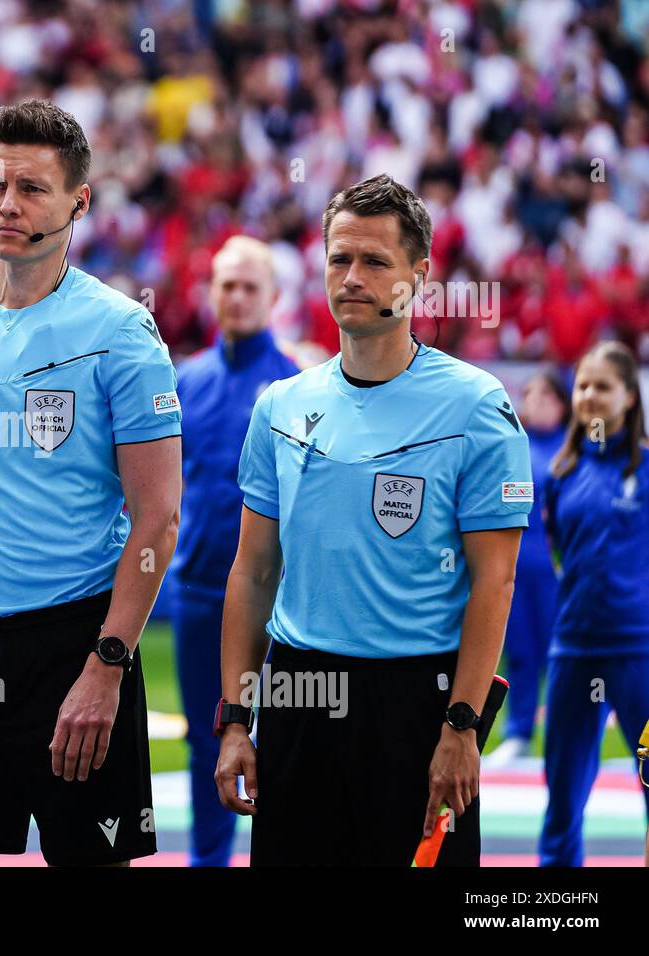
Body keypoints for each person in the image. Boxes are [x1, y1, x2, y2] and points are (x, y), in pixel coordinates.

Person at [0, 100, 182, 867]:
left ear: (79, 201)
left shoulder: (121, 331)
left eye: (32, 188)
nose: (8, 205)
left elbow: (157, 516)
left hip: (77, 639)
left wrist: (107, 666)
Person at [216, 174, 532, 866]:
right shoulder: (280, 405)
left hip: (417, 703)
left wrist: (462, 725)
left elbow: (495, 582)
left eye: (374, 261)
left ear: (417, 277)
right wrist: (236, 721)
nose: (351, 276)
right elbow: (253, 570)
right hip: (298, 693)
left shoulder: (477, 407)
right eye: (339, 258)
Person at [172, 236, 298, 867]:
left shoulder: (302, 387)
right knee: (208, 743)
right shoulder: (184, 382)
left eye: (252, 286)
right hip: (199, 595)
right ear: (211, 292)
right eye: (228, 284)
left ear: (274, 297)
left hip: (282, 603)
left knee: (293, 743)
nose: (239, 296)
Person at [538, 341, 649, 866]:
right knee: (562, 801)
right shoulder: (560, 477)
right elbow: (563, 554)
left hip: (638, 654)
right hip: (573, 652)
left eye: (602, 386)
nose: (589, 396)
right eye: (582, 385)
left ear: (629, 396)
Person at [487, 369, 569, 766]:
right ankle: (518, 732)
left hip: (557, 573)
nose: (536, 401)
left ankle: (565, 729)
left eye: (545, 395)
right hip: (516, 566)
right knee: (519, 652)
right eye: (530, 393)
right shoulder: (511, 443)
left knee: (561, 654)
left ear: (561, 403)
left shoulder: (574, 449)